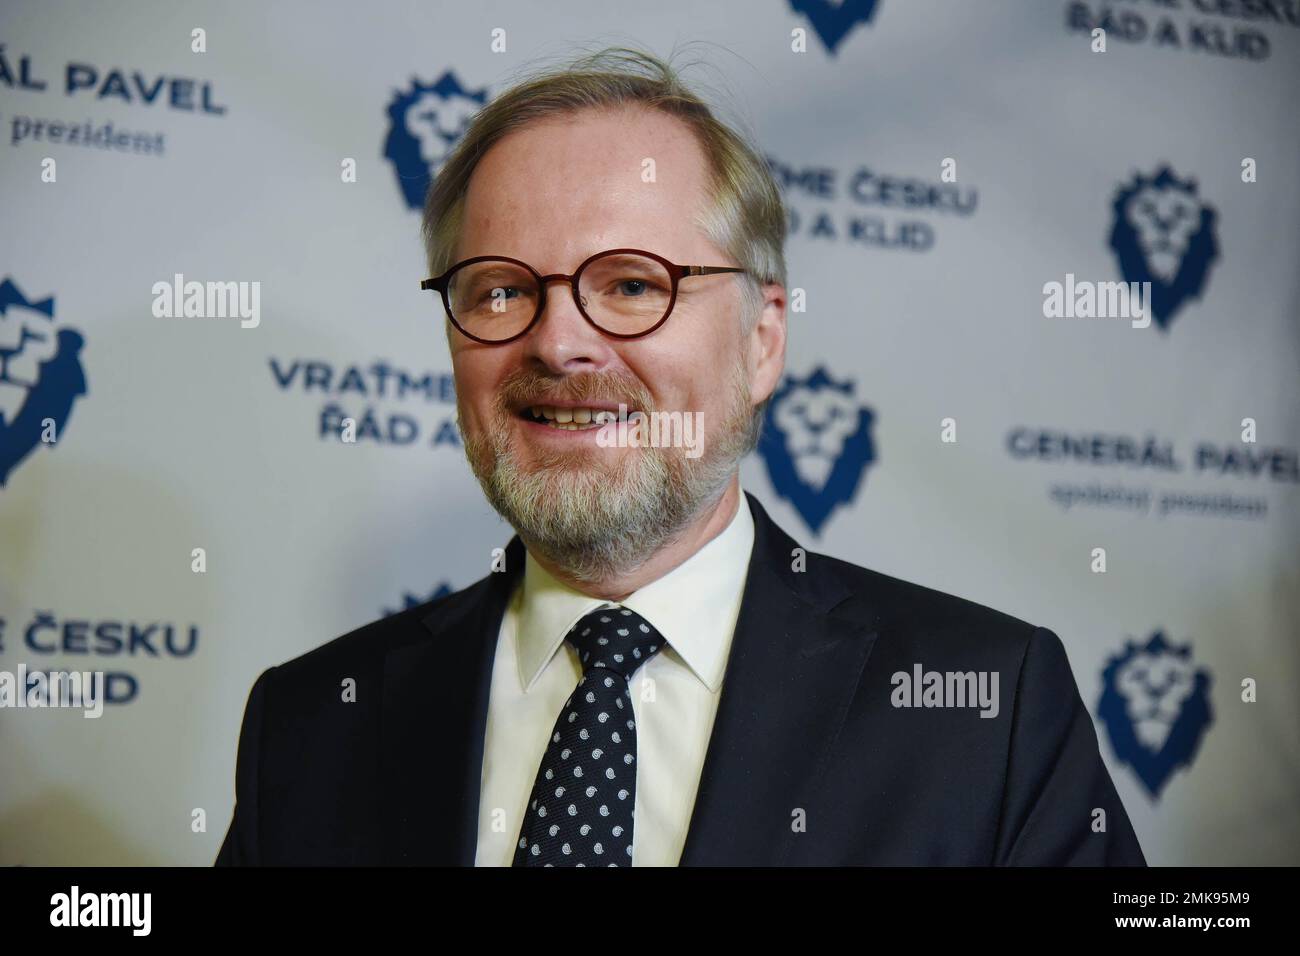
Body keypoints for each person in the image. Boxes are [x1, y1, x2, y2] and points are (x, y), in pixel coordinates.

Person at [216, 47, 1145, 867]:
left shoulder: (989, 711)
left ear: (762, 341)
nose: (559, 345)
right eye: (500, 291)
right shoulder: (308, 724)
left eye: (630, 284)